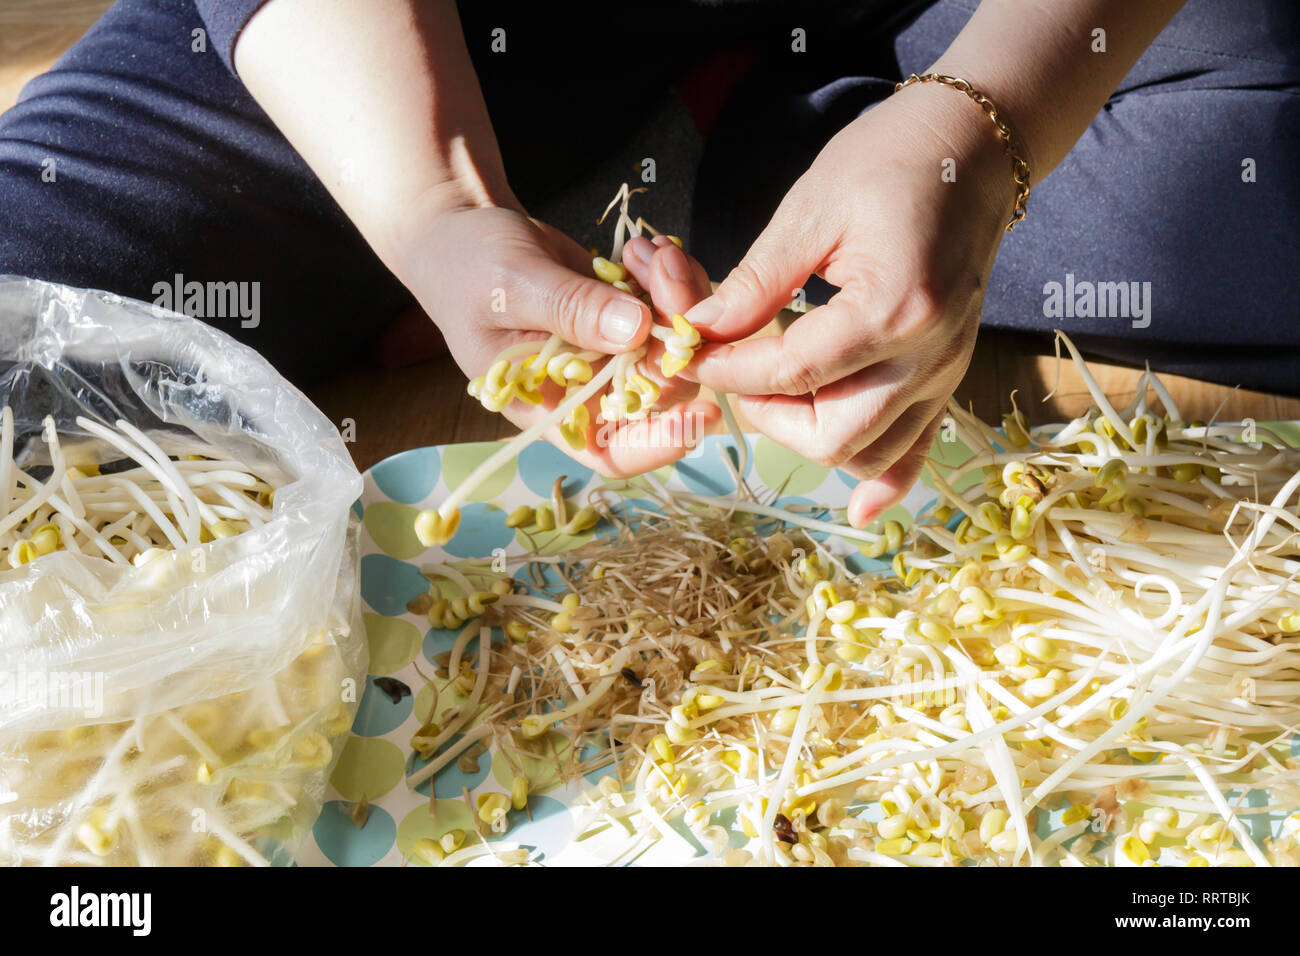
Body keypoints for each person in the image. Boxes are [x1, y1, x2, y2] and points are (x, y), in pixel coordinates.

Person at [1, 1, 1296, 528]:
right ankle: (677, 189)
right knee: (25, 336)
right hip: (436, 38)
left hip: (949, 16)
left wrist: (983, 125)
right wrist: (432, 202)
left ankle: (742, 170)